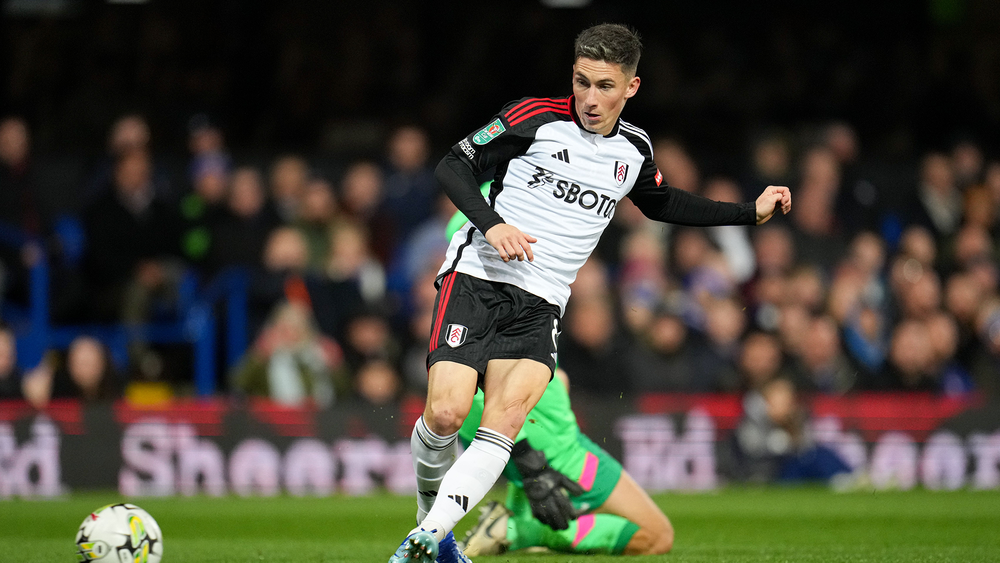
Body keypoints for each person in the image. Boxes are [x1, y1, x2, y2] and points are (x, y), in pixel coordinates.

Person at [391, 23, 791, 563]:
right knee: (443, 415)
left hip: (542, 302)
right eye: (582, 82)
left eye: (605, 86)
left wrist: (750, 212)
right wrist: (491, 225)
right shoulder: (532, 117)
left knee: (502, 424)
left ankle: (427, 543)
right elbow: (452, 166)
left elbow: (663, 203)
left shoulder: (633, 150)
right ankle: (430, 524)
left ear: (632, 87)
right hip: (478, 277)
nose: (590, 98)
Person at [457, 367, 673, 556]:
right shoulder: (512, 320)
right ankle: (522, 530)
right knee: (656, 536)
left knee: (557, 376)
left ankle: (521, 513)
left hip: (498, 438)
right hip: (557, 449)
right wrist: (525, 452)